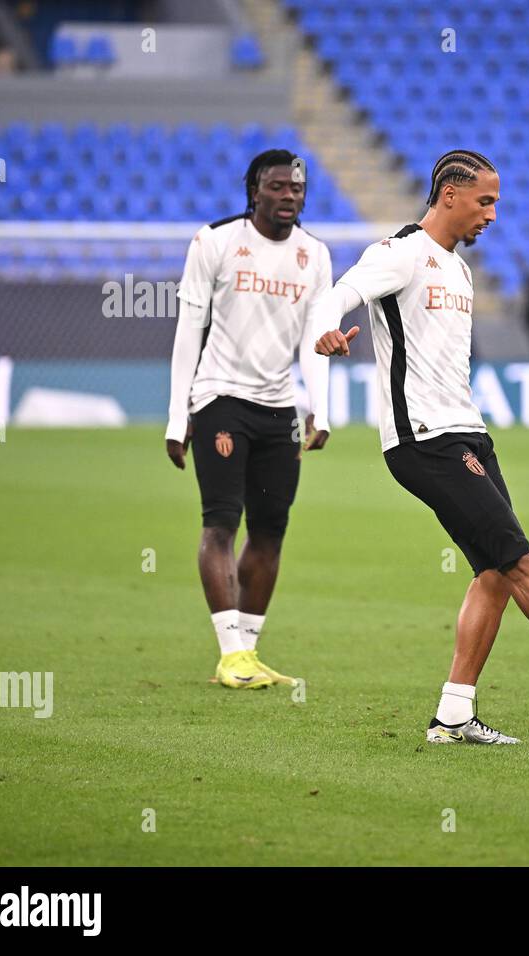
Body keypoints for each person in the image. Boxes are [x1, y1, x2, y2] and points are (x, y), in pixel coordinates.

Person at [311, 149, 529, 744]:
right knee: (519, 560)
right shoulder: (399, 254)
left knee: (496, 572)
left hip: (467, 432)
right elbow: (334, 295)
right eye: (485, 201)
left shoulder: (461, 269)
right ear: (449, 194)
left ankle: (452, 716)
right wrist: (324, 328)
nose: (493, 215)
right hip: (425, 439)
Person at [166, 149, 332, 690]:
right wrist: (178, 414)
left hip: (279, 406)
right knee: (221, 522)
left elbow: (313, 340)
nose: (289, 196)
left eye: (297, 189)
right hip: (220, 397)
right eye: (278, 187)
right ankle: (230, 651)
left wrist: (320, 408)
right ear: (254, 191)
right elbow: (189, 329)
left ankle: (247, 655)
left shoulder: (316, 255)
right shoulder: (214, 241)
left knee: (271, 530)